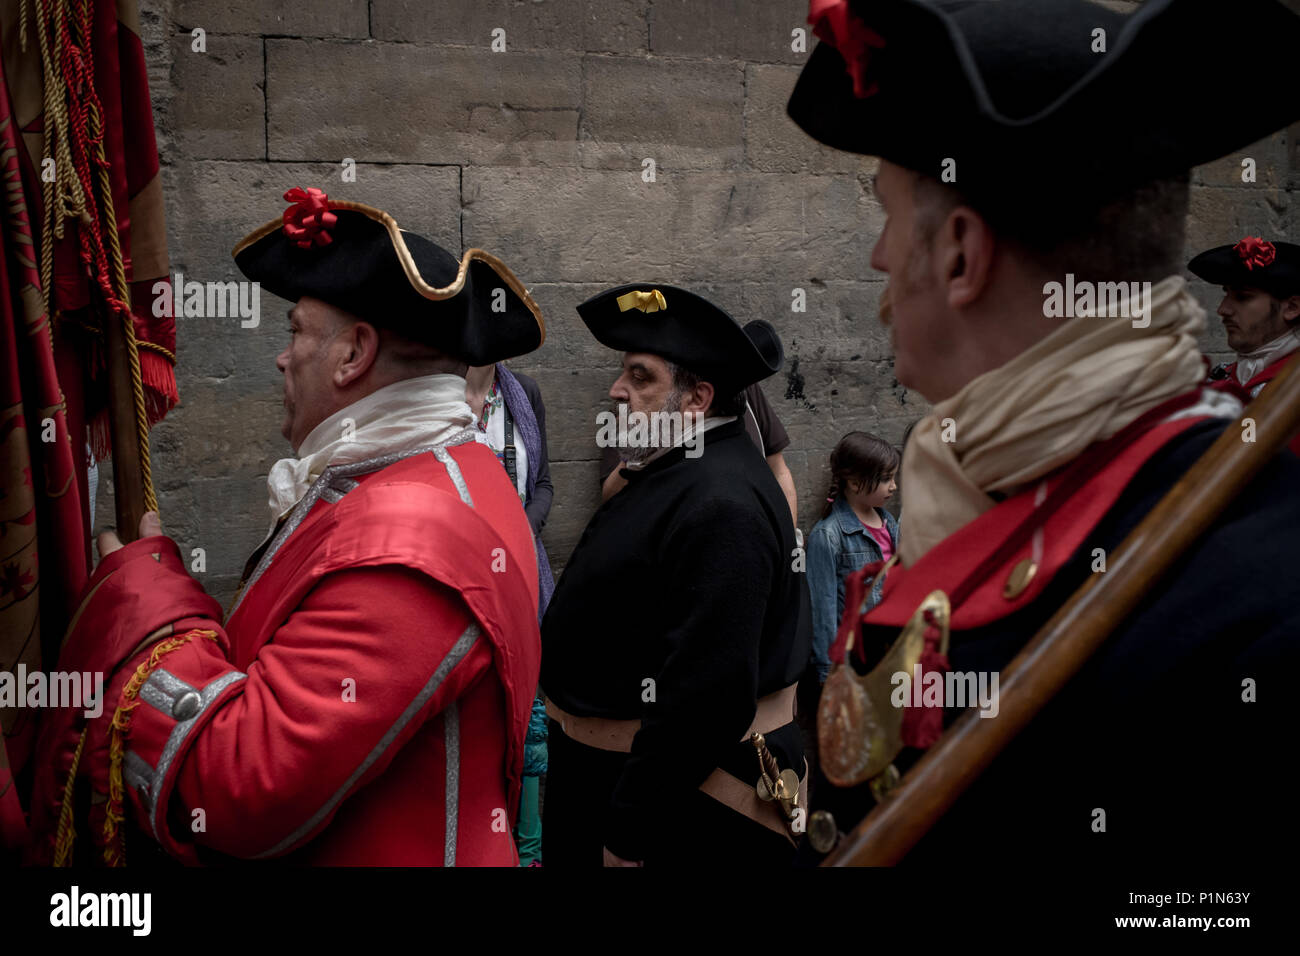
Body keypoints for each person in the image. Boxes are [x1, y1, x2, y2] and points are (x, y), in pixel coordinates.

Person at [786, 0, 1300, 862]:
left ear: (959, 254)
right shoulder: (987, 476)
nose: (879, 258)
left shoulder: (1262, 600)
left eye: (887, 213)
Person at [26, 189, 545, 866]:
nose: (282, 356)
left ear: (352, 354)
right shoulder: (447, 470)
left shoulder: (415, 544)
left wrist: (153, 608)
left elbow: (240, 786)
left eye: (296, 331)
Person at [540, 284, 811, 867]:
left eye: (640, 378)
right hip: (615, 781)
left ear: (696, 400)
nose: (617, 390)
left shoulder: (722, 503)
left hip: (682, 810)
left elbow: (705, 695)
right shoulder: (683, 468)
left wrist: (628, 834)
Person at [464, 361, 555, 865]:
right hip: (463, 579)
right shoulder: (436, 395)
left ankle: (530, 850)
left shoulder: (524, 394)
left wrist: (516, 532)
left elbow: (543, 484)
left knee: (532, 720)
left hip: (524, 577)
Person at [599, 381, 799, 527]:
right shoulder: (632, 404)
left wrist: (788, 541)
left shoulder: (744, 390)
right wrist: (639, 449)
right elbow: (611, 498)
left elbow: (778, 469)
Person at [1188, 238, 1300, 453]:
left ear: (1292, 307)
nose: (1223, 309)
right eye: (1226, 294)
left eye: (1242, 296)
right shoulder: (1221, 377)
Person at [806, 432, 900, 683]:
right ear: (856, 483)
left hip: (892, 652)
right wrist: (830, 674)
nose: (894, 486)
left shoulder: (889, 523)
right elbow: (822, 611)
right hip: (855, 664)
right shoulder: (828, 536)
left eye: (894, 477)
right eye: (885, 479)